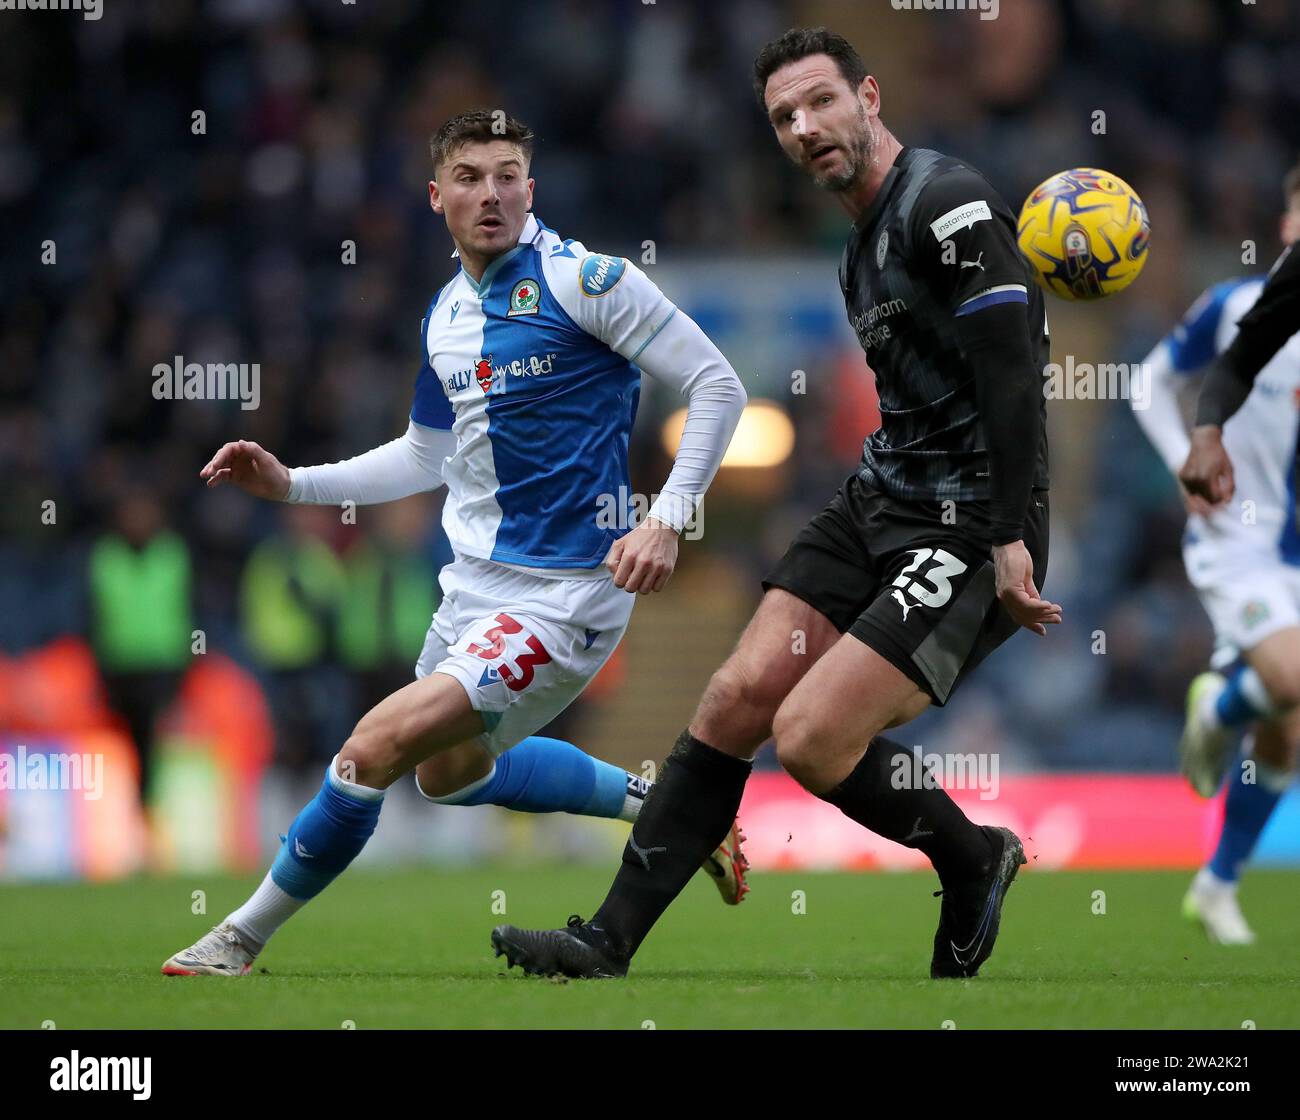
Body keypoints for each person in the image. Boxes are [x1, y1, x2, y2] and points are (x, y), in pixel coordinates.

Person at [491, 26, 1058, 981]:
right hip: (883, 499)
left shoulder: (946, 202)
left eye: (821, 102)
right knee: (734, 696)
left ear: (869, 97)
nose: (804, 127)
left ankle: (971, 856)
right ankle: (605, 942)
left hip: (971, 521)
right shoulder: (855, 253)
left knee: (809, 738)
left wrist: (1006, 536)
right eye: (784, 118)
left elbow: (1011, 371)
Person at [161, 108, 748, 976]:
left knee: (371, 748)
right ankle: (661, 807)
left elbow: (717, 384)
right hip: (472, 589)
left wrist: (664, 519)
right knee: (448, 775)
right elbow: (423, 457)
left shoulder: (586, 280)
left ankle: (238, 938)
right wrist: (292, 484)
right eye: (470, 177)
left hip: (566, 597)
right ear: (437, 196)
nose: (492, 193)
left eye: (508, 174)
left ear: (530, 189)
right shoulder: (445, 317)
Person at [1163, 166, 1300, 943]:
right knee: (1290, 679)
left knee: (1288, 727)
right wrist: (1201, 437)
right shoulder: (1250, 302)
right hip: (1244, 534)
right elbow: (1237, 358)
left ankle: (1218, 883)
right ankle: (1217, 707)